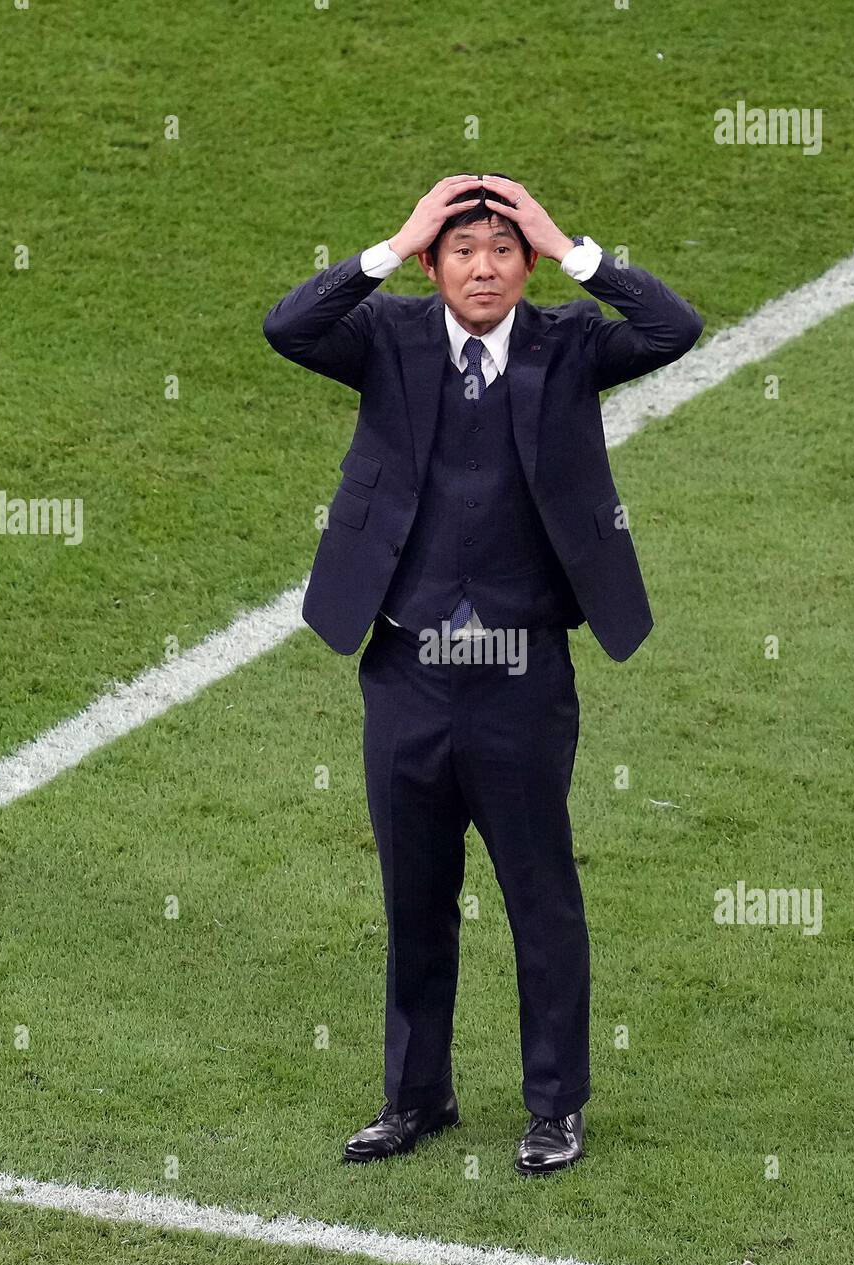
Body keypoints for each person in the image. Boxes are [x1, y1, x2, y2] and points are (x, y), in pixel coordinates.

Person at [263, 174, 703, 1175]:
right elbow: (287, 327)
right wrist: (391, 238)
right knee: (414, 900)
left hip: (519, 677)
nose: (484, 268)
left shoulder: (570, 344)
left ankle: (556, 1107)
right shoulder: (387, 338)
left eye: (504, 250)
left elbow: (672, 328)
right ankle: (415, 1097)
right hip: (407, 674)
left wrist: (569, 243)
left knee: (539, 897)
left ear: (527, 259)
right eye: (462, 250)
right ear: (433, 262)